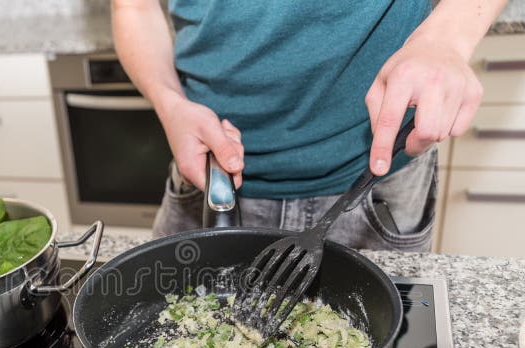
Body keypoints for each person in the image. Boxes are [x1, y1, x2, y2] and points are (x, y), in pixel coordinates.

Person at [113, 0, 508, 250]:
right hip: (207, 176)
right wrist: (170, 104)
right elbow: (133, 8)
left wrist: (446, 38)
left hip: (371, 186)